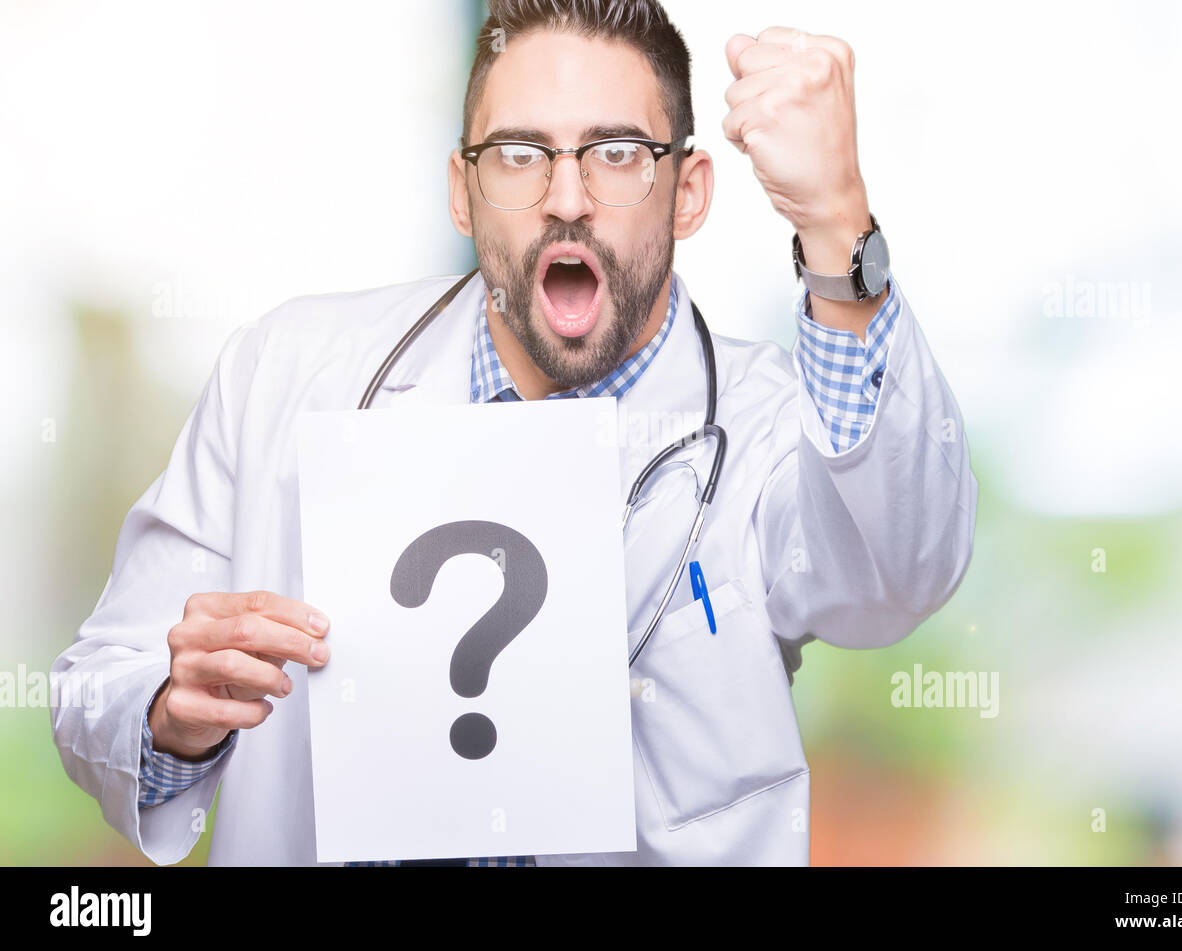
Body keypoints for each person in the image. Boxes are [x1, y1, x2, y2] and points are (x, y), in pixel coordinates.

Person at [51, 0, 977, 866]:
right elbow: (97, 686)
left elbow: (900, 572)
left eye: (617, 152)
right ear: (463, 191)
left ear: (689, 192)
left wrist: (835, 221)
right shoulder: (283, 373)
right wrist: (172, 717)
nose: (567, 198)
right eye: (520, 153)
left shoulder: (763, 424)